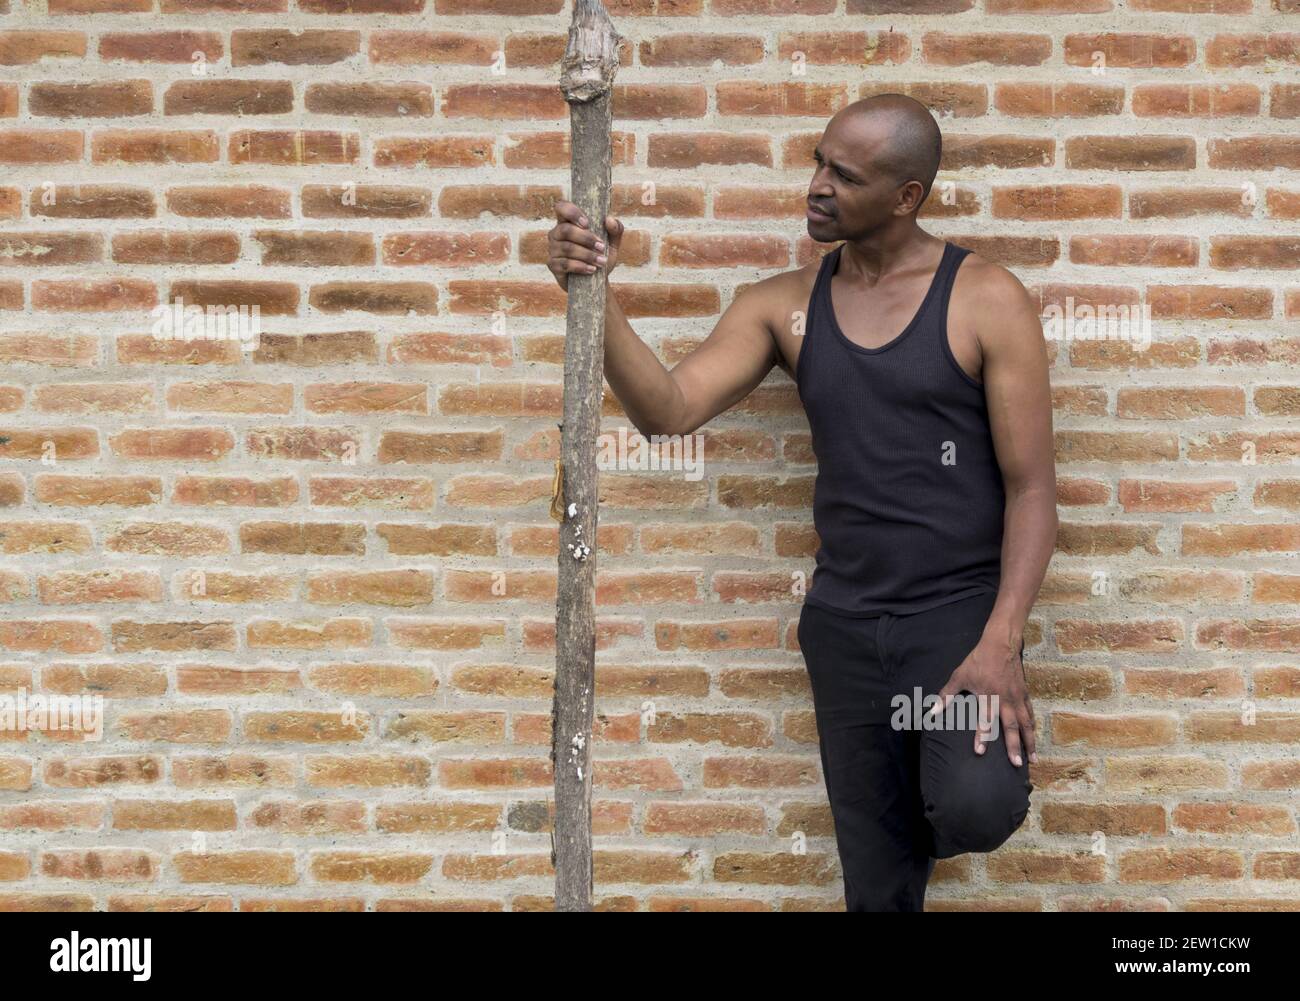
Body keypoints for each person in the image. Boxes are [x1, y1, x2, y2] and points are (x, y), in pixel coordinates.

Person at [545, 93, 1058, 911]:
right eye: (817, 161)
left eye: (842, 175)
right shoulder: (780, 305)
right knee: (878, 883)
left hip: (957, 619)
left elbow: (1033, 489)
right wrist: (595, 291)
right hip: (844, 625)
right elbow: (667, 409)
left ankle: (922, 806)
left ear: (906, 196)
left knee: (974, 805)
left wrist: (1001, 640)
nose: (815, 186)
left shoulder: (986, 298)